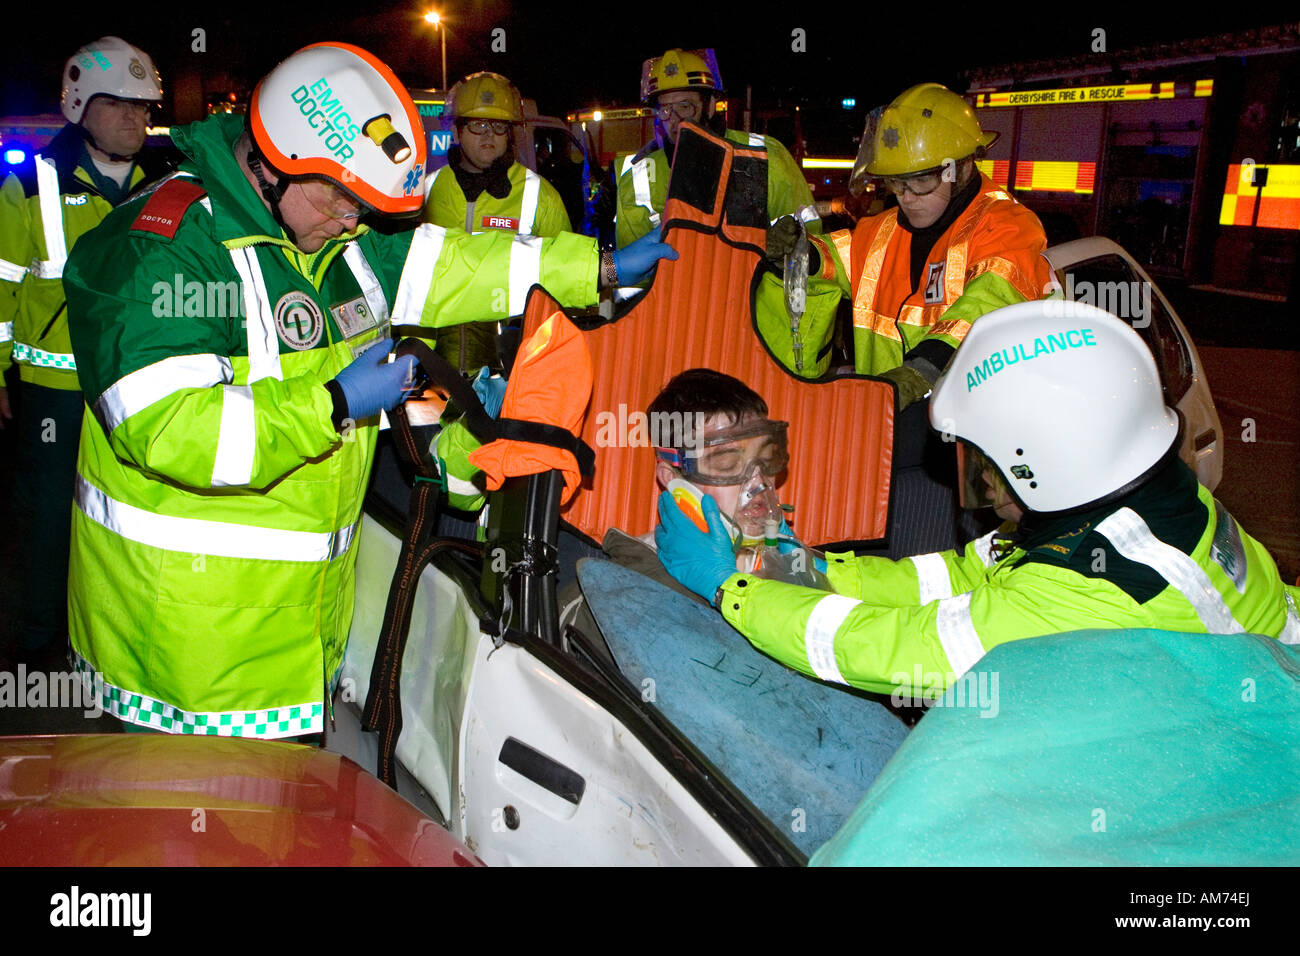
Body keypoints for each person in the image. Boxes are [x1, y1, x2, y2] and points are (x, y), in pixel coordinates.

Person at [62, 41, 675, 738]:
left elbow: (450, 270)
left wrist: (592, 268)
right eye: (339, 198)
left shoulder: (335, 245)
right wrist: (332, 405)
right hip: (180, 653)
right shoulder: (159, 251)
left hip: (295, 638)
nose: (353, 221)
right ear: (272, 162)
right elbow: (171, 430)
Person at [655, 300, 1300, 698]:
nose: (982, 484)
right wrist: (810, 570)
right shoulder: (1131, 501)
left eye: (988, 464)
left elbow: (893, 648)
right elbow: (953, 576)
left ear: (1046, 464)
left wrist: (726, 585)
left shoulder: (1094, 582)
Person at [0, 37, 172, 669]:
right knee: (48, 517)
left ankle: (113, 645)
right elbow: (1, 283)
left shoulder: (168, 186)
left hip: (139, 383)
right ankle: (40, 643)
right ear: (79, 106)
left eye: (143, 108)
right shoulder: (32, 182)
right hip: (55, 388)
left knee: (128, 518)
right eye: (119, 105)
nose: (135, 119)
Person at [796, 82, 1053, 406]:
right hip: (884, 425)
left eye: (921, 181)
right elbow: (841, 258)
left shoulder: (1007, 226)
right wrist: (799, 252)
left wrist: (924, 369)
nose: (907, 198)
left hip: (968, 433)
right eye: (897, 183)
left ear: (961, 167)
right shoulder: (883, 229)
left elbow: (990, 302)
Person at [560, 369, 799, 646]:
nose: (758, 482)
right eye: (726, 463)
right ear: (673, 479)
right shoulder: (617, 594)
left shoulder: (794, 568)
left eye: (767, 458)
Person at [423, 71, 572, 373]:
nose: (489, 134)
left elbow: (576, 264)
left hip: (518, 363)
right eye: (478, 124)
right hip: (437, 373)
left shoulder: (539, 194)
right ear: (457, 131)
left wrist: (614, 267)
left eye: (498, 125)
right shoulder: (426, 192)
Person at [614, 48, 818, 251]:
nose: (675, 121)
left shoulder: (765, 154)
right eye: (666, 109)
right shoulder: (638, 178)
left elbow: (813, 239)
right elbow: (630, 272)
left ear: (710, 105)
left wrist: (781, 250)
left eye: (685, 106)